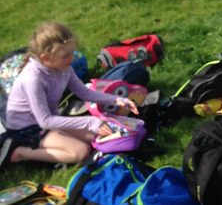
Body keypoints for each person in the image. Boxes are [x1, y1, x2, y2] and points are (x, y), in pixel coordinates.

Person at [1, 22, 139, 167]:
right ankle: (21, 153)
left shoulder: (63, 67)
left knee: (98, 136)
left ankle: (56, 140)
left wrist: (117, 100)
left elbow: (84, 93)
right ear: (46, 58)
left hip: (50, 120)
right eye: (66, 55)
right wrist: (91, 121)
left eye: (72, 52)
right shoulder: (33, 79)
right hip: (27, 130)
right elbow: (45, 121)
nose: (71, 58)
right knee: (81, 151)